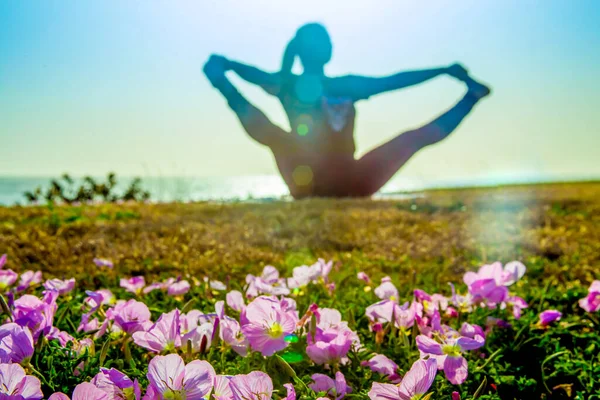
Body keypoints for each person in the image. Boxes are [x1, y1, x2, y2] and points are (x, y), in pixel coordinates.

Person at [203, 23, 490, 199]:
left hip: (353, 178)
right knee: (275, 136)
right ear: (302, 49)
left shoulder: (348, 85)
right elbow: (245, 72)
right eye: (318, 41)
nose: (325, 45)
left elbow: (394, 81)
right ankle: (221, 87)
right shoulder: (286, 84)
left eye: (327, 41)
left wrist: (442, 71)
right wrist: (223, 68)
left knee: (409, 139)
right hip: (305, 179)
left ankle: (471, 98)